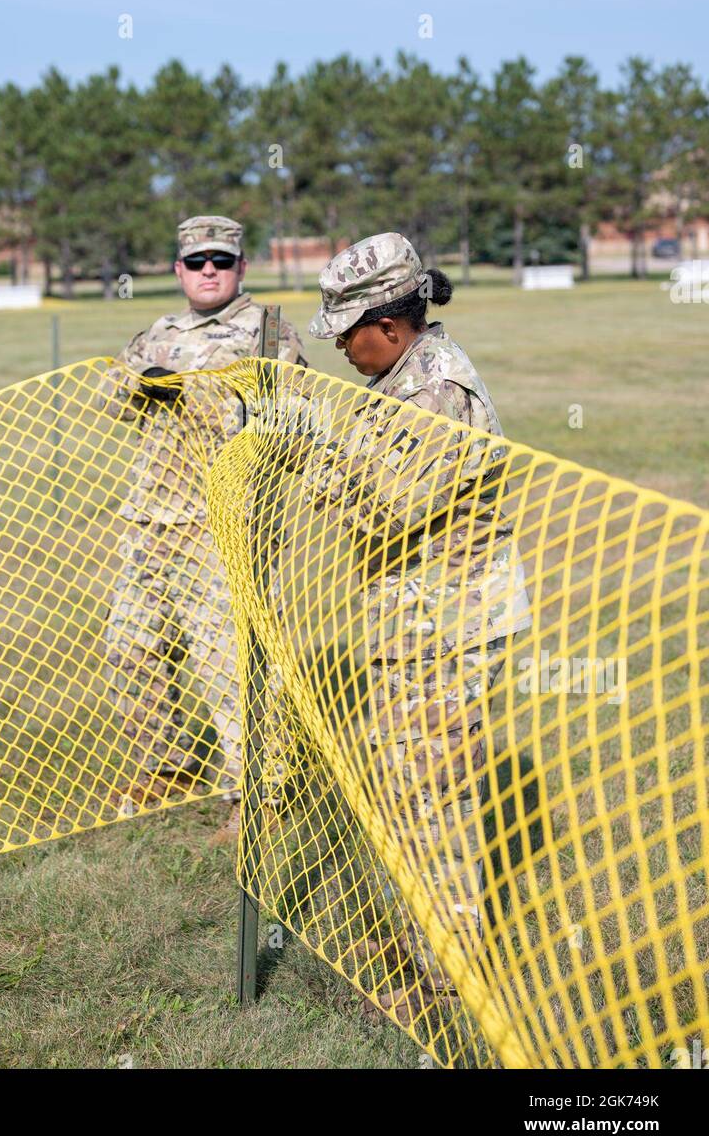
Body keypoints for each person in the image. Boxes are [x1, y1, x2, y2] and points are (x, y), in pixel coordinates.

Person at [302, 232, 530, 1019]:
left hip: (450, 625)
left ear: (390, 326)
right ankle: (418, 937)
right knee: (404, 785)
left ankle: (444, 978)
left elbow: (386, 514)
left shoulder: (434, 391)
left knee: (431, 796)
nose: (337, 347)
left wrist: (320, 465)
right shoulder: (399, 376)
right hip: (417, 619)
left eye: (345, 332)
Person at [99, 215, 306, 842]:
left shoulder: (266, 332)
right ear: (178, 270)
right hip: (148, 520)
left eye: (221, 260)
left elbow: (292, 416)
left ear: (242, 267)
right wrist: (142, 385)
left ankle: (256, 795)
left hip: (220, 524)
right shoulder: (158, 333)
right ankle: (163, 762)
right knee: (129, 649)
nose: (208, 270)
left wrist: (214, 399)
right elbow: (111, 398)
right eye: (196, 261)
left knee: (228, 665)